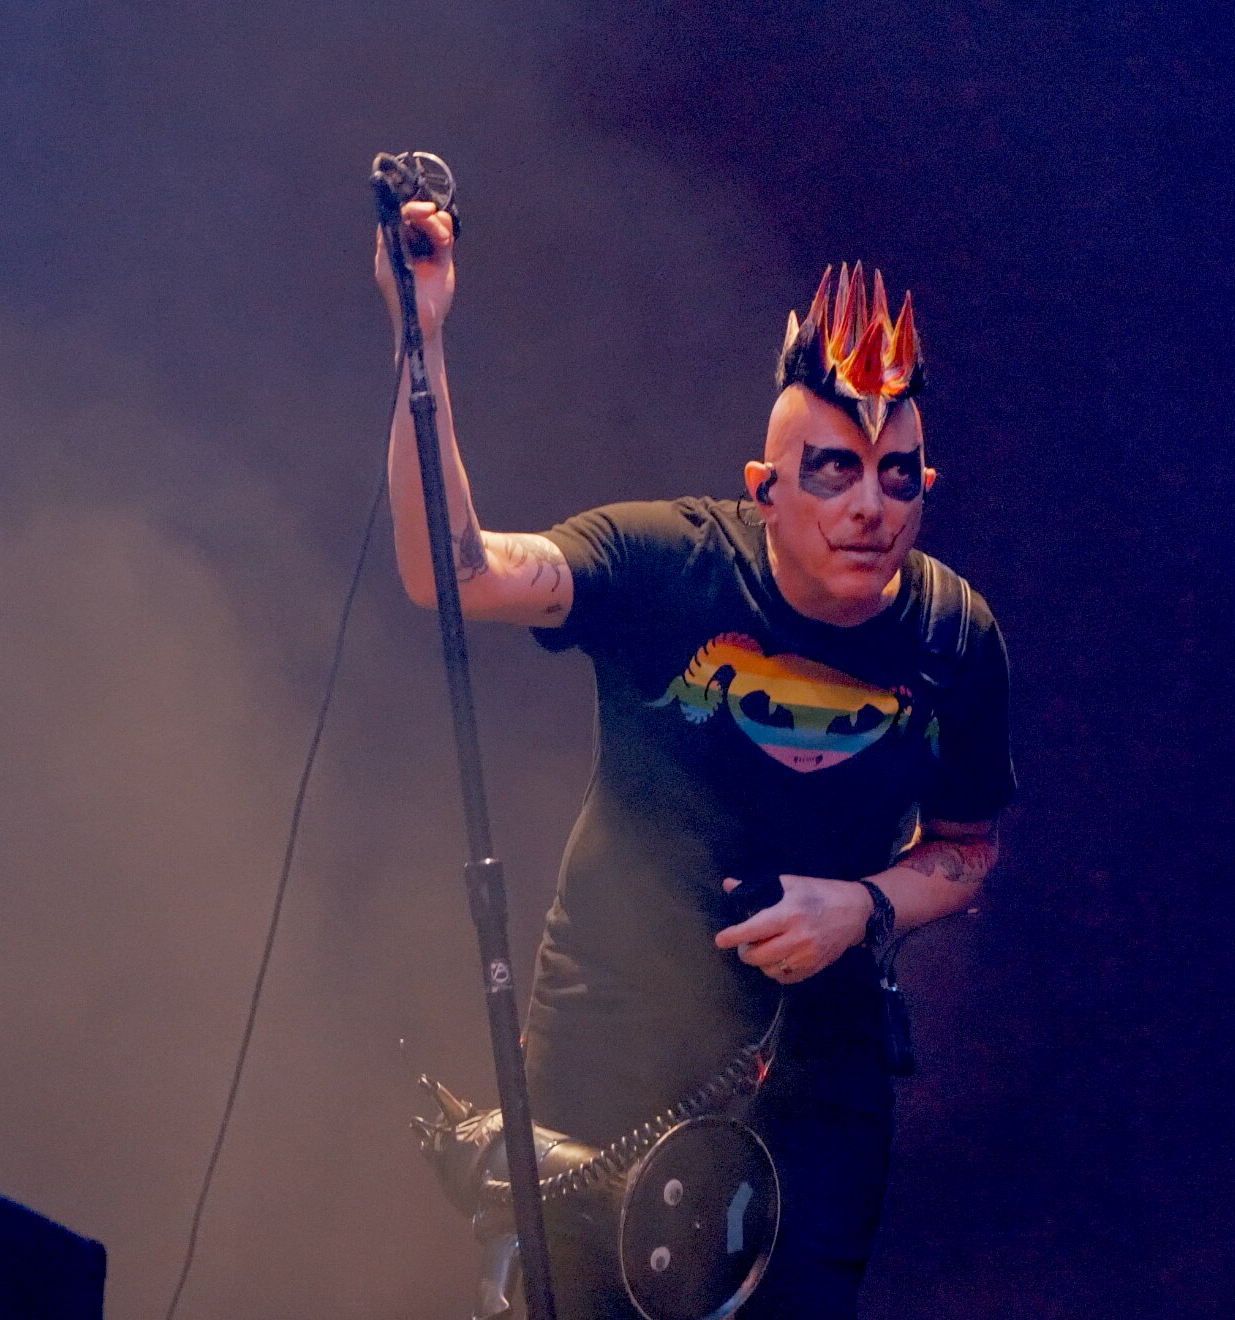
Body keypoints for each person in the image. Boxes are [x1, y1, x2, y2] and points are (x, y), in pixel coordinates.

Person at [376, 202, 1015, 1320]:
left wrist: (861, 907)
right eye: (834, 471)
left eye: (898, 475)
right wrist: (418, 335)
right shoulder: (666, 562)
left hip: (816, 1079)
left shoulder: (956, 635)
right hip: (609, 1049)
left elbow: (967, 847)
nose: (870, 506)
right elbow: (454, 572)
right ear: (766, 487)